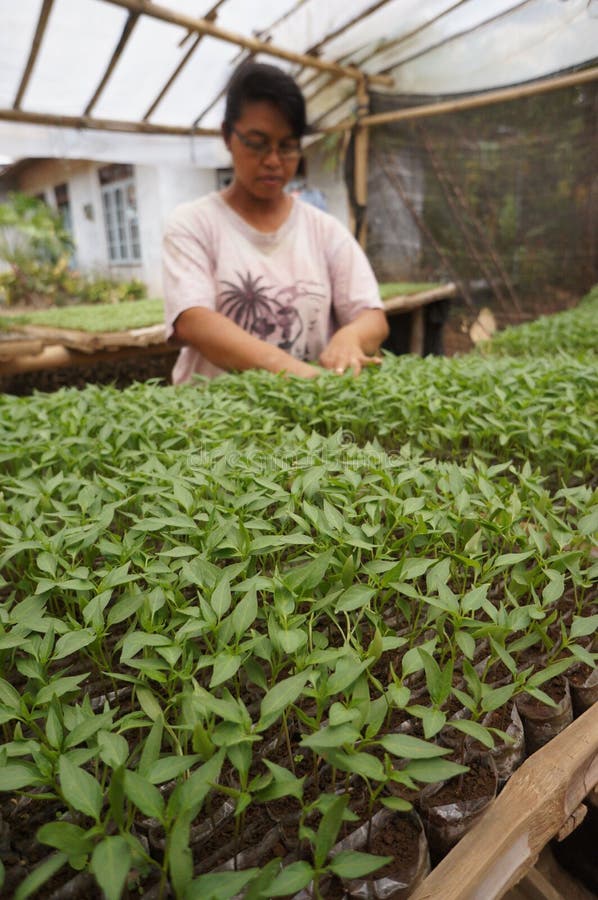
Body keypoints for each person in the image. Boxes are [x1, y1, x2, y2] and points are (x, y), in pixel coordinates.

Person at [162, 61, 388, 384]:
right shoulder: (193, 225)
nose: (272, 161)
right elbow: (193, 320)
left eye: (287, 147)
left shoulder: (325, 231)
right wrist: (295, 372)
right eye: (257, 142)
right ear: (228, 136)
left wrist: (349, 338)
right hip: (210, 424)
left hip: (305, 420)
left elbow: (372, 316)